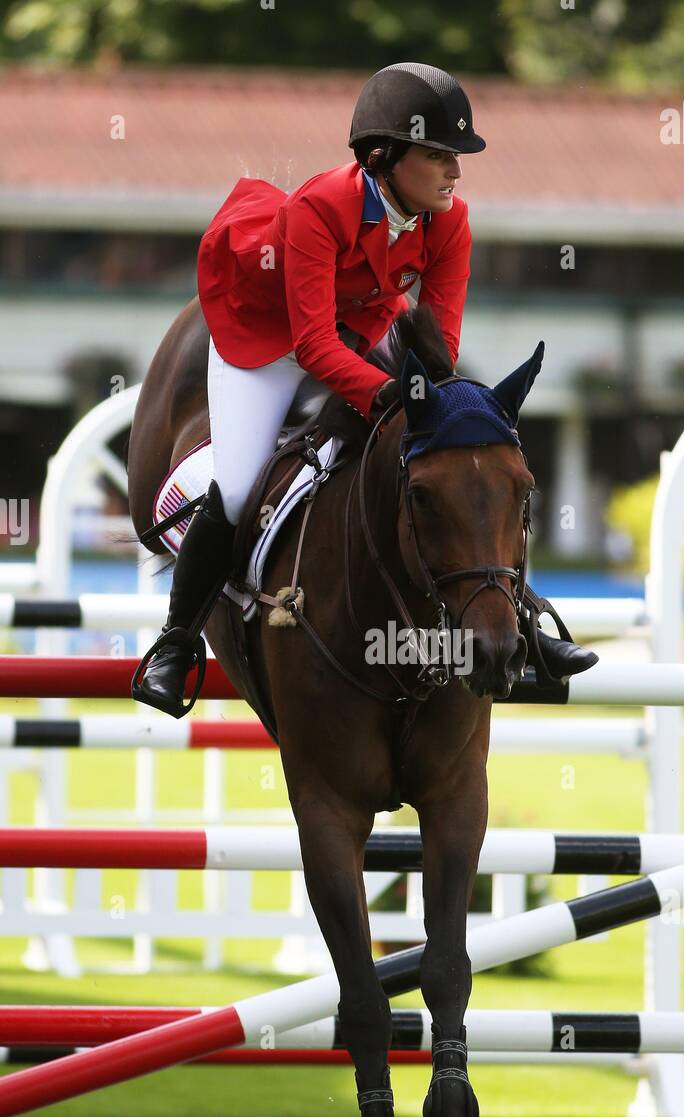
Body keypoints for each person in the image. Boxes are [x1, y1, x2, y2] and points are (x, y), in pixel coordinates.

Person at [134, 60, 597, 716]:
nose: (455, 172)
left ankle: (524, 624)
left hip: (357, 329)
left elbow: (437, 341)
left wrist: (439, 408)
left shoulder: (450, 221)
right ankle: (177, 644)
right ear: (384, 157)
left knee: (469, 462)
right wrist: (386, 398)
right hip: (271, 341)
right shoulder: (321, 207)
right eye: (439, 155)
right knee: (237, 489)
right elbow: (313, 345)